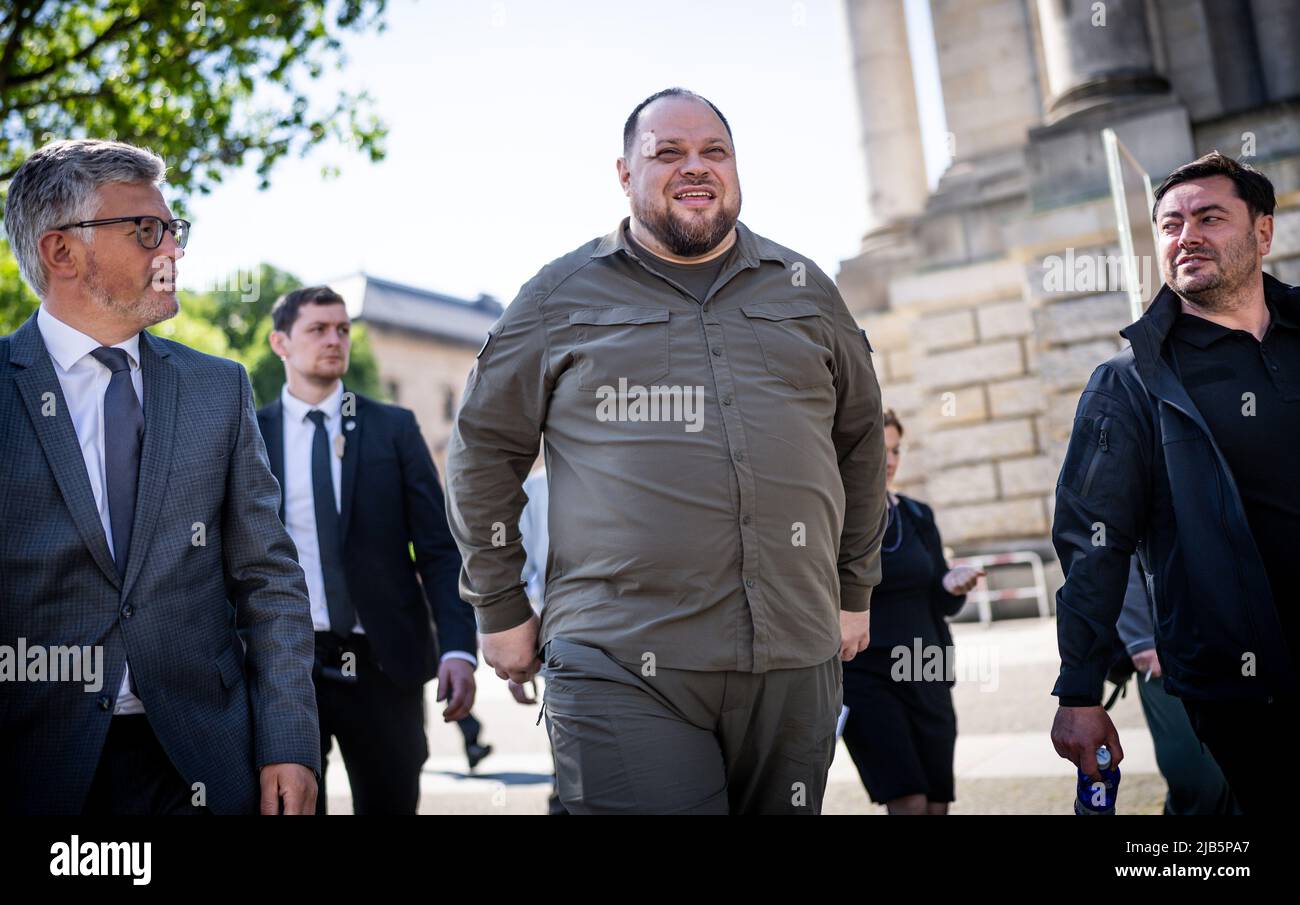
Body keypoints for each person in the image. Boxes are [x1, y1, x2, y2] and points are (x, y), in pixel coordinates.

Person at [445, 87, 889, 814]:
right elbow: (483, 451)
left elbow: (861, 441)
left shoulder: (807, 289)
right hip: (619, 660)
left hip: (796, 653)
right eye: (668, 153)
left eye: (715, 151)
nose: (696, 167)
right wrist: (498, 604)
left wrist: (853, 588)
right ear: (624, 173)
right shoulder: (557, 296)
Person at [0, 139, 319, 815]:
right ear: (61, 252)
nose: (172, 250)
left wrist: (289, 740)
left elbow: (269, 578)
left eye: (173, 230)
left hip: (198, 761)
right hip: (33, 766)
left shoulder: (218, 388)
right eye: (147, 231)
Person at [1050, 152, 1299, 815]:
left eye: (1209, 217)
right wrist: (1079, 692)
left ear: (1264, 232)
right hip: (1242, 691)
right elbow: (1092, 543)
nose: (1185, 235)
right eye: (1170, 223)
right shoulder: (1130, 383)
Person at [257, 286, 478, 814]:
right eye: (317, 329)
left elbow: (439, 549)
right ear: (280, 343)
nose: (334, 340)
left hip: (382, 664)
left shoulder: (393, 429)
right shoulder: (248, 433)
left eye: (342, 329)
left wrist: (457, 647)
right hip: (286, 665)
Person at [840, 410, 982, 815]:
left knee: (938, 802)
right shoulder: (834, 520)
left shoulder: (918, 515)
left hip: (928, 668)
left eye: (896, 450)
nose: (889, 461)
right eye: (878, 450)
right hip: (866, 676)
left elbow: (940, 601)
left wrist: (952, 586)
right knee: (909, 801)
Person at [1115, 558, 1238, 815]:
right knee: (1199, 782)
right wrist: (1141, 639)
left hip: (1235, 644)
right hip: (1168, 653)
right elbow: (1117, 559)